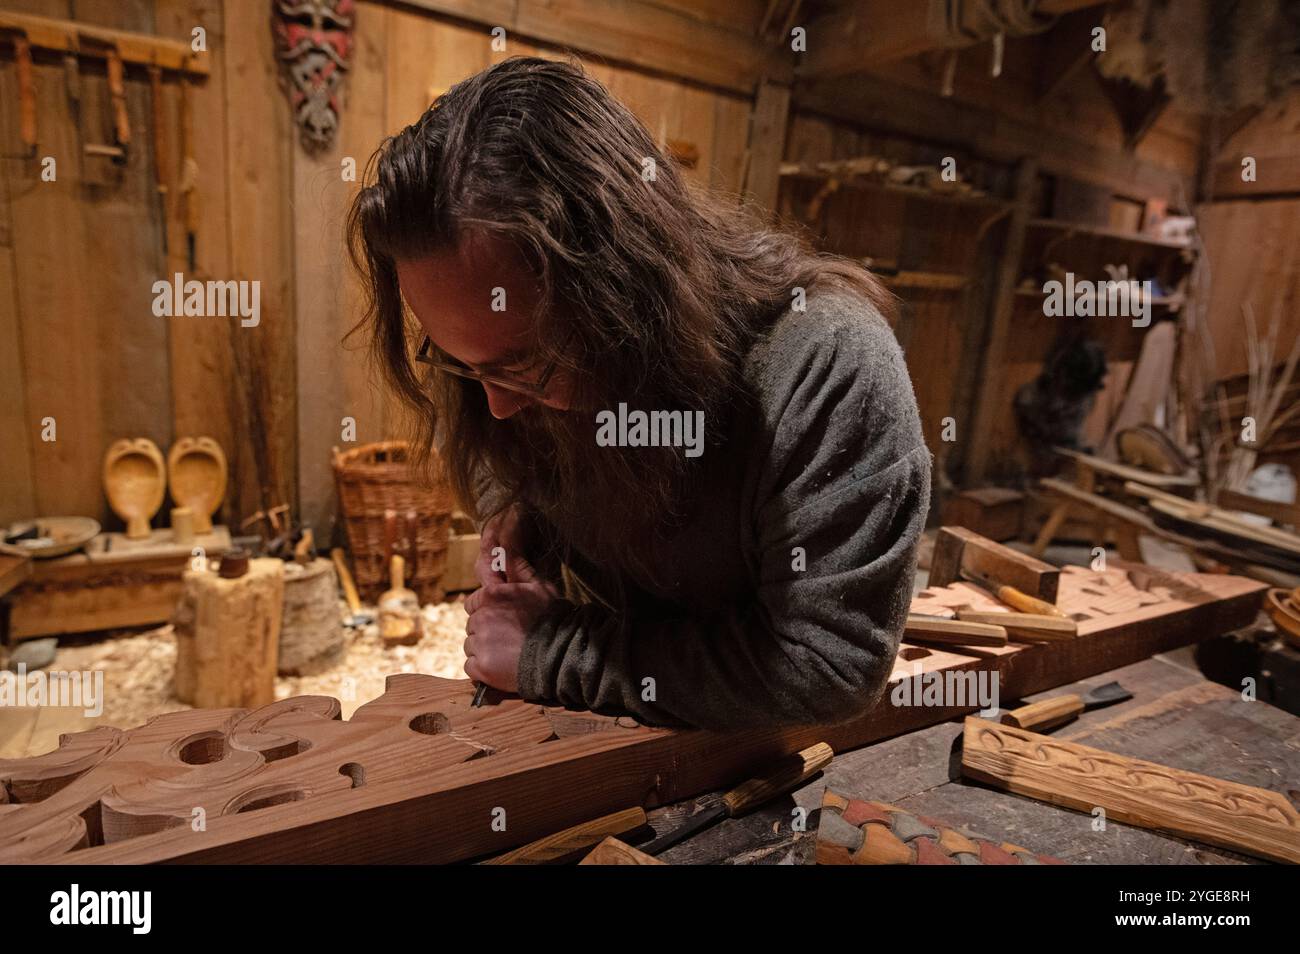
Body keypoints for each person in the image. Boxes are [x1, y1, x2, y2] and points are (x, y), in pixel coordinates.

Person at [347, 57, 930, 730]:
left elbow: (826, 665)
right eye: (462, 369)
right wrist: (512, 508)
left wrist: (547, 651)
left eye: (525, 369)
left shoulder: (825, 365)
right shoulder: (497, 353)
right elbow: (493, 426)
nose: (498, 408)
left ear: (626, 298)